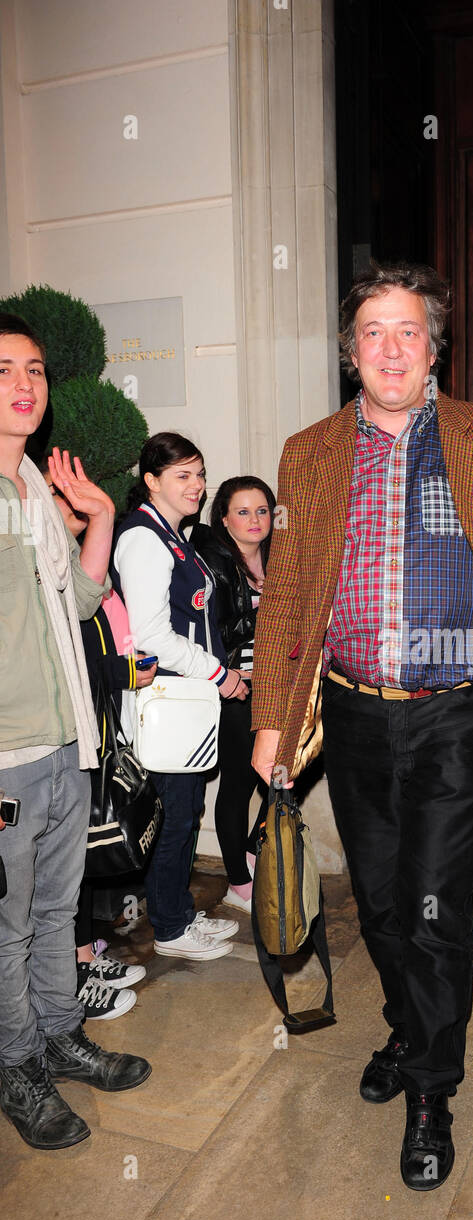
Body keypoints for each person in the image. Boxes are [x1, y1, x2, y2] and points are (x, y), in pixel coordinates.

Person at [251, 260, 473, 1191]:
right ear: (350, 352)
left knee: (437, 909)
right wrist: (271, 721)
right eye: (374, 331)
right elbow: (288, 593)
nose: (392, 347)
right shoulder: (310, 453)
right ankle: (409, 1028)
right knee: (377, 905)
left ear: (436, 349)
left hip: (455, 715)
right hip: (355, 716)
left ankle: (430, 1093)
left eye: (409, 330)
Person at [0, 311, 151, 1151]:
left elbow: (84, 604)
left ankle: (59, 1037)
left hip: (66, 747)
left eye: (34, 370)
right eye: (3, 370)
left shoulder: (30, 488)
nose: (24, 386)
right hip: (4, 762)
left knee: (57, 913)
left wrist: (96, 517)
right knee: (6, 925)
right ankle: (14, 1063)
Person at [111, 433, 248, 961]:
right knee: (173, 814)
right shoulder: (145, 538)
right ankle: (169, 928)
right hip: (165, 701)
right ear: (151, 481)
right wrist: (219, 674)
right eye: (182, 476)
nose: (197, 486)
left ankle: (178, 915)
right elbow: (151, 635)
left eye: (199, 474)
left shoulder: (172, 534)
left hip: (183, 701)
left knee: (185, 812)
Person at [39, 458, 152, 1019]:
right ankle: (69, 978)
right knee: (50, 880)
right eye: (62, 503)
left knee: (72, 866)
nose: (73, 513)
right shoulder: (40, 569)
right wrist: (128, 674)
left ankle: (81, 958)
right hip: (43, 739)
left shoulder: (79, 569)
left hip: (86, 730)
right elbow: (79, 661)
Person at [186, 477, 275, 911]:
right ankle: (238, 883)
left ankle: (253, 850)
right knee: (238, 784)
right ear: (224, 518)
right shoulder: (217, 567)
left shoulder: (281, 561)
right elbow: (213, 631)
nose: (254, 520)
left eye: (262, 510)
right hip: (236, 690)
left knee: (286, 773)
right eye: (243, 511)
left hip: (277, 686)